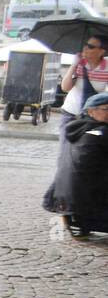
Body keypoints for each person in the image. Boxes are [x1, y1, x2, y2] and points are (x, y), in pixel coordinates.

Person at [45, 34, 108, 216]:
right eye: (86, 45)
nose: (86, 49)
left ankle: (82, 199)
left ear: (102, 51)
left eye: (91, 46)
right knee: (65, 156)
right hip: (72, 115)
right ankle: (60, 200)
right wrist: (74, 66)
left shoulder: (106, 68)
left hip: (94, 118)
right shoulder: (80, 65)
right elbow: (65, 87)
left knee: (88, 158)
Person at [62, 91, 108, 237]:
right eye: (106, 109)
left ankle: (75, 220)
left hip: (71, 201)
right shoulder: (101, 132)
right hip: (89, 201)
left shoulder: (79, 128)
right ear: (90, 111)